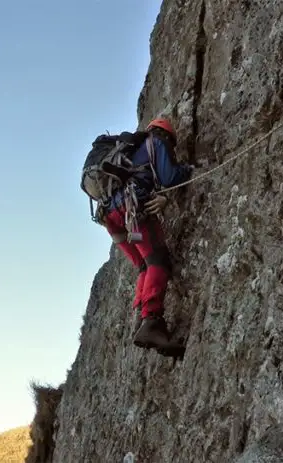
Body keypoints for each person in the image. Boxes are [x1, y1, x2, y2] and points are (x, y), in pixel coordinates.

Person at [99, 118, 193, 354]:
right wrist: (188, 170)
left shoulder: (130, 152)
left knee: (143, 264)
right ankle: (151, 320)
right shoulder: (157, 141)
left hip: (112, 217)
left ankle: (140, 321)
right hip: (131, 209)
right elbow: (169, 177)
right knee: (157, 261)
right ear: (166, 135)